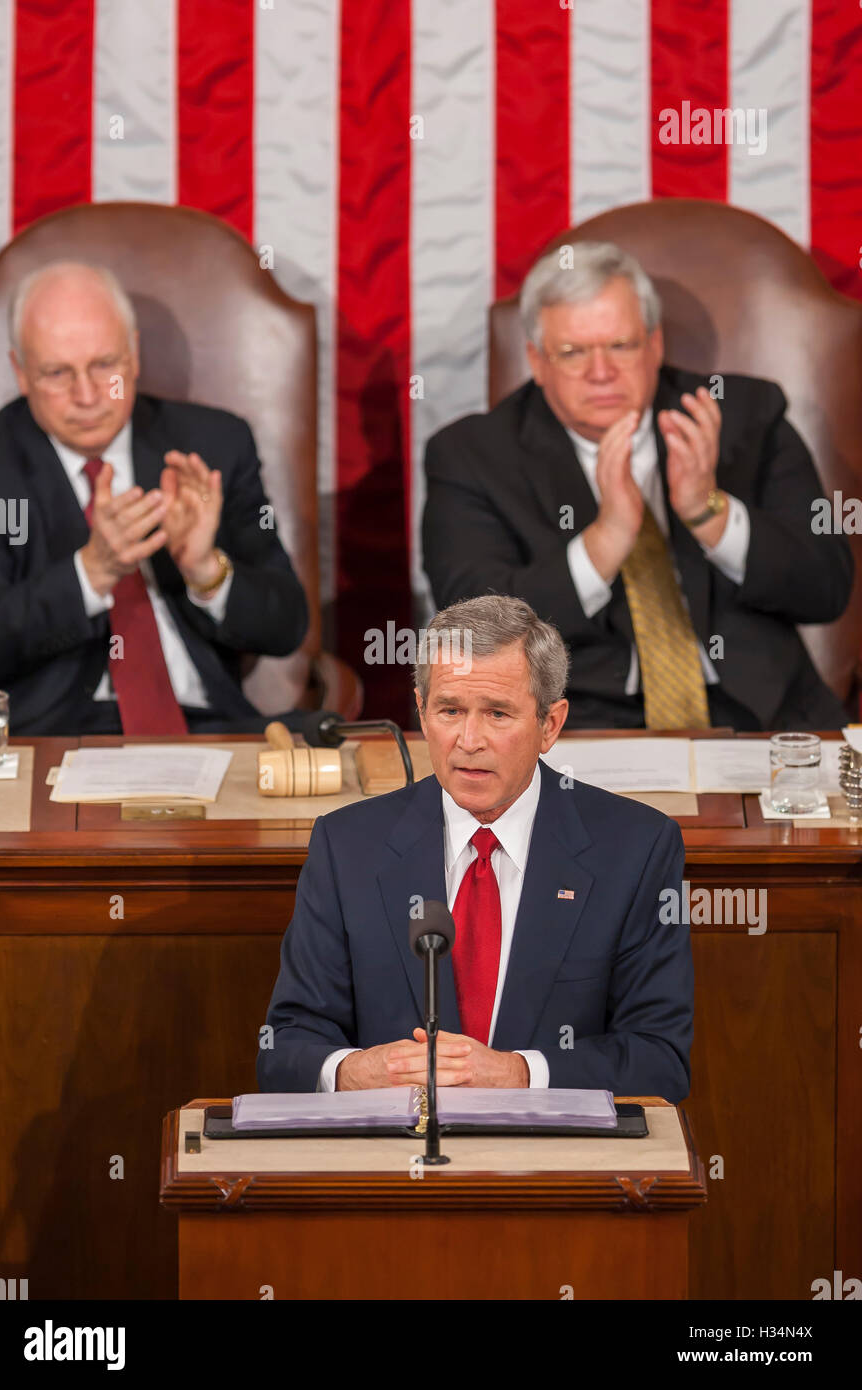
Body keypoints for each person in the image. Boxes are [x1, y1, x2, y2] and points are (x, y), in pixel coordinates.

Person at [258, 595, 693, 1101]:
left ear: (550, 724)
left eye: (498, 714)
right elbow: (283, 1049)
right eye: (450, 710)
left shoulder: (636, 849)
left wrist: (518, 1074)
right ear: (421, 712)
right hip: (395, 1163)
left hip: (552, 1167)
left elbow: (659, 1061)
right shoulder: (347, 846)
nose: (469, 740)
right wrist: (355, 1071)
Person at [422, 242, 853, 731]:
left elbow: (827, 588)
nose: (601, 372)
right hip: (576, 728)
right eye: (573, 352)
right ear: (537, 361)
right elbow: (473, 630)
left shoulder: (744, 417)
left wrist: (709, 512)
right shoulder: (472, 455)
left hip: (767, 718)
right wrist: (604, 541)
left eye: (621, 346)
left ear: (655, 345)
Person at [0, 260, 309, 735]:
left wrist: (206, 571)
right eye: (57, 373)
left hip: (209, 731)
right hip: (52, 741)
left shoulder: (213, 444)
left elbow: (287, 626)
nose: (87, 395)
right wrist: (90, 574)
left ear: (133, 354)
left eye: (104, 365)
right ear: (21, 373)